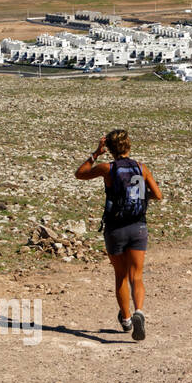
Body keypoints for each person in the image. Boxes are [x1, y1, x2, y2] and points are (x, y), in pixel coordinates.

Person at [75, 130, 162, 341]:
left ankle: (126, 319)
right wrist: (141, 196)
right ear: (129, 146)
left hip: (115, 229)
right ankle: (139, 311)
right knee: (137, 276)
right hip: (138, 226)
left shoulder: (108, 168)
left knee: (121, 275)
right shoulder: (142, 168)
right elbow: (158, 195)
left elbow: (80, 173)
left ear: (110, 149)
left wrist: (96, 153)